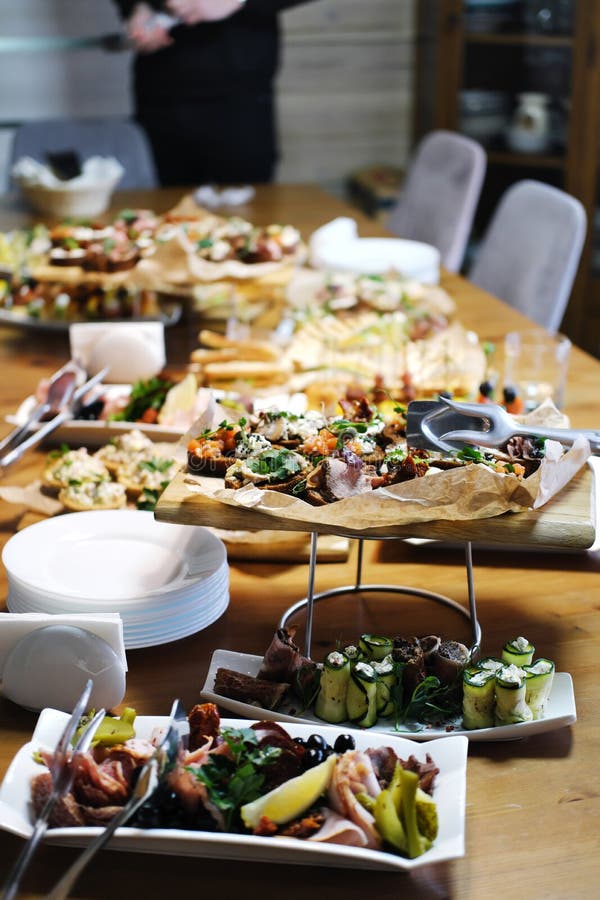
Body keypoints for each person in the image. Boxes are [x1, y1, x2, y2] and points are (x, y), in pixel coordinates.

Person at [113, 0, 319, 186]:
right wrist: (137, 7)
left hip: (239, 86)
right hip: (162, 83)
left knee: (249, 206)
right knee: (169, 208)